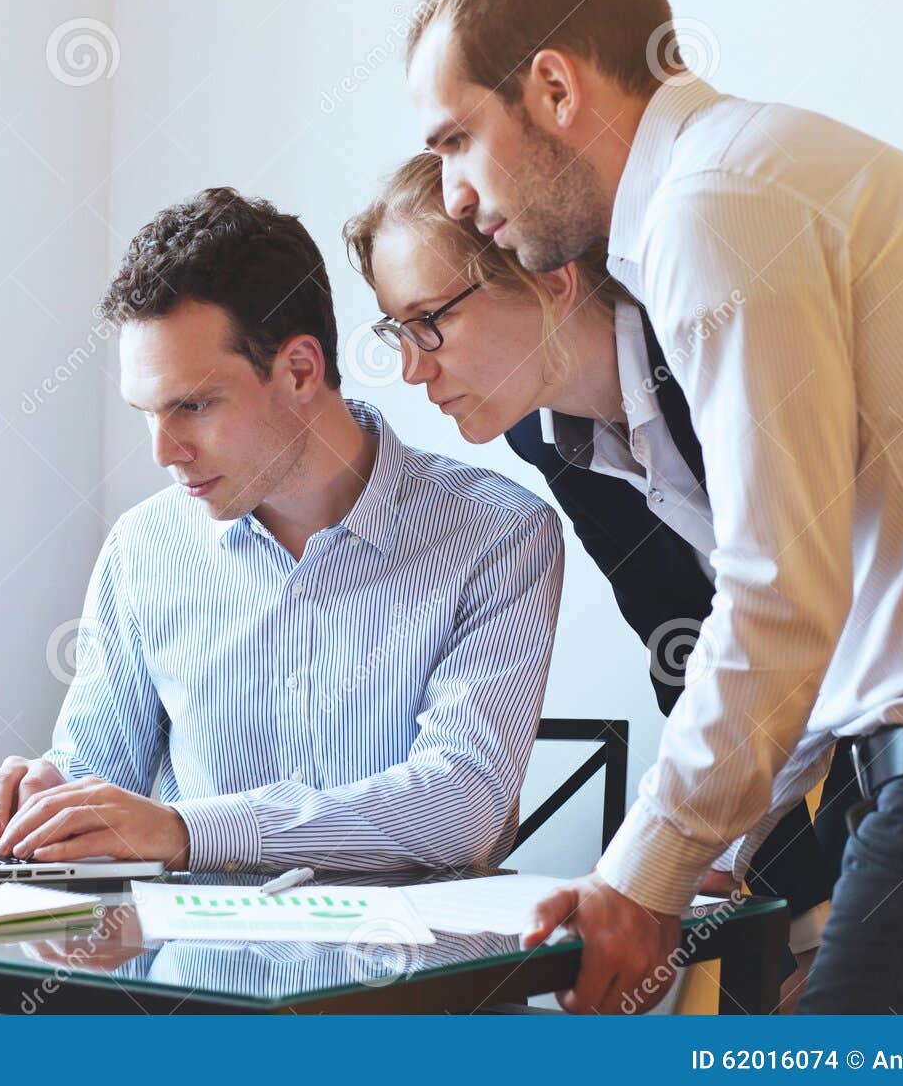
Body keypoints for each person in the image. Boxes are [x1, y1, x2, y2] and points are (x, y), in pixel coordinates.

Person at [405, 0, 903, 1012]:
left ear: (555, 88)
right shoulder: (754, 170)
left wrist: (641, 874)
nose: (457, 196)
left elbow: (778, 595)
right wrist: (684, 861)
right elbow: (818, 622)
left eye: (458, 138)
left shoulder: (714, 207)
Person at [343, 151, 857, 1010]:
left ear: (551, 276)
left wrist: (821, 923)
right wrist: (746, 885)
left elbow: (810, 625)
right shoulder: (544, 432)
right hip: (789, 776)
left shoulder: (708, 339)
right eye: (396, 331)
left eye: (428, 320)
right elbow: (687, 652)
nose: (412, 367)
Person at [0, 187, 565, 877]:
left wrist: (189, 831)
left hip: (403, 979)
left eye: (193, 405)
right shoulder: (144, 547)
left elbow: (460, 806)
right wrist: (40, 794)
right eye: (147, 412)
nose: (164, 451)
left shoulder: (498, 535)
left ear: (300, 370)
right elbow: (95, 769)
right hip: (191, 979)